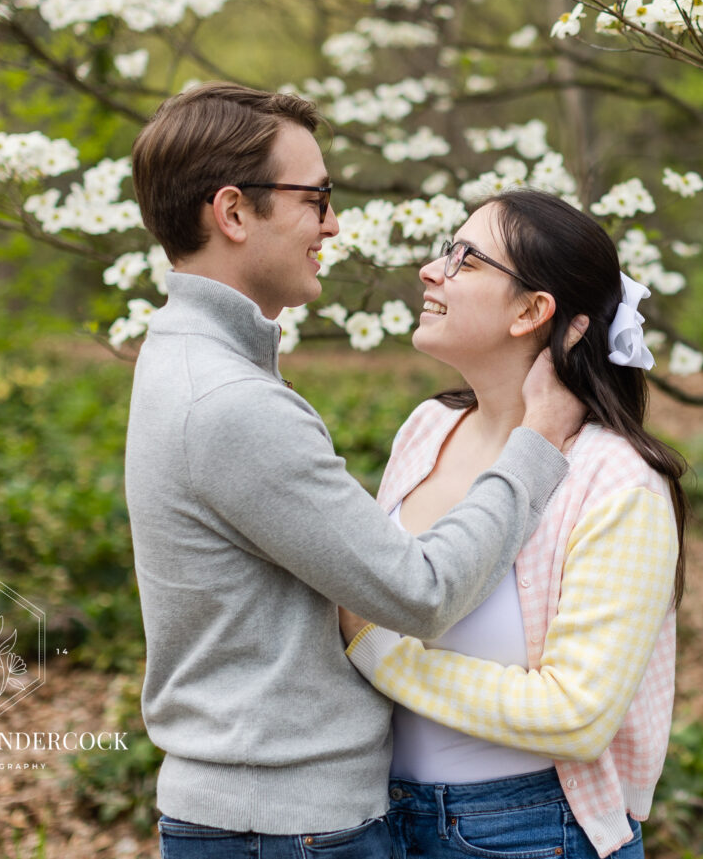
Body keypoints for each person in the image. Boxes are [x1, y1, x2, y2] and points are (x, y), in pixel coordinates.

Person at [122, 83, 587, 858]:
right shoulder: (233, 402)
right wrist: (536, 444)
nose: (333, 224)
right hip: (284, 823)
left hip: (256, 815)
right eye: (317, 198)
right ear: (234, 213)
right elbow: (419, 590)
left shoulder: (182, 359)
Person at [341, 189, 688, 859]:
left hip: (529, 832)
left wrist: (379, 651)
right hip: (380, 818)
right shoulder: (427, 428)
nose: (431, 270)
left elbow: (577, 713)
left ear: (532, 310)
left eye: (465, 259)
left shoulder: (617, 479)